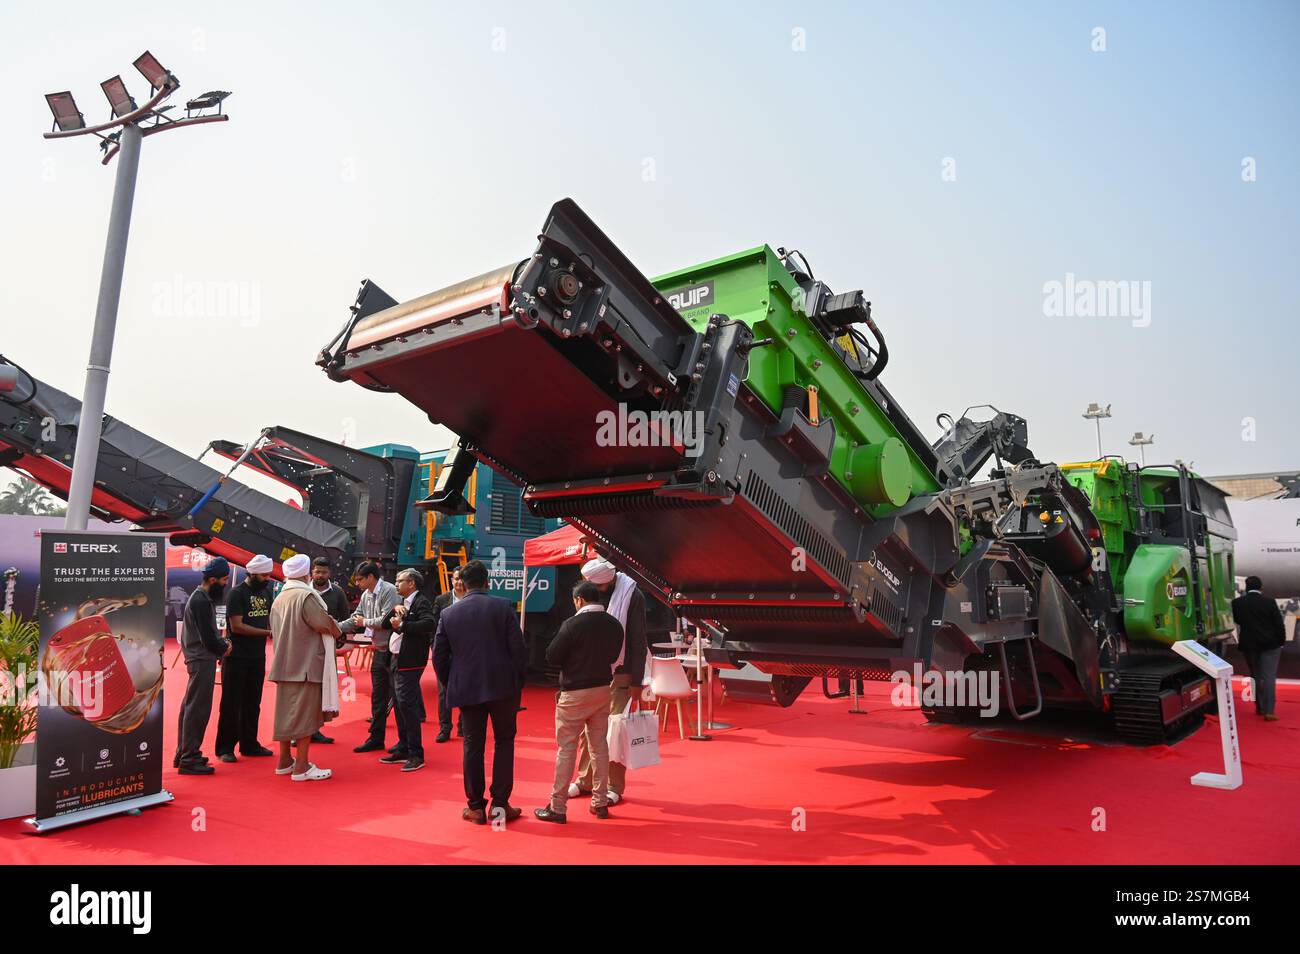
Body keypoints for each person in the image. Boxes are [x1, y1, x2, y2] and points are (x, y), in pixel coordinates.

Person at [433, 559, 527, 825]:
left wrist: (453, 681)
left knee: (472, 745)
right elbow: (518, 650)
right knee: (504, 742)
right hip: (502, 688)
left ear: (462, 583)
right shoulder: (503, 607)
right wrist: (518, 682)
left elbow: (439, 656)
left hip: (467, 687)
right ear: (488, 581)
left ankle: (475, 807)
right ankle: (499, 805)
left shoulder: (449, 613)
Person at [535, 581, 624, 824]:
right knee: (599, 747)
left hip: (574, 693)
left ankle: (558, 806)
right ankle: (600, 802)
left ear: (580, 599)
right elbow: (614, 656)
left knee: (567, 749)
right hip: (602, 690)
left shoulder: (572, 624)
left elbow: (552, 655)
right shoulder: (614, 624)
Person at [569, 557, 646, 805]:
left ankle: (614, 785)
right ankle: (585, 779)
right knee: (587, 726)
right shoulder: (595, 591)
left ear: (609, 582)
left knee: (616, 729)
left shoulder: (632, 595)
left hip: (621, 672)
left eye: (598, 589)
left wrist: (636, 680)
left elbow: (637, 641)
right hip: (593, 670)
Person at [268, 553, 342, 781]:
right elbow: (322, 622)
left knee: (285, 715)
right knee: (306, 718)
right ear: (306, 573)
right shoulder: (305, 596)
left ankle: (284, 761)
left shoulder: (280, 597)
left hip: (285, 664)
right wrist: (338, 630)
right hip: (307, 666)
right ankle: (301, 766)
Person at [214, 554, 276, 762]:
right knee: (231, 702)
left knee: (253, 702)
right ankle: (225, 748)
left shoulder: (267, 591)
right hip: (236, 656)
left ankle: (250, 744)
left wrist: (272, 628)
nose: (267, 578)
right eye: (264, 575)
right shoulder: (236, 593)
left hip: (257, 656)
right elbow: (237, 626)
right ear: (252, 573)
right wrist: (268, 633)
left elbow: (268, 619)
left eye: (269, 574)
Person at [175, 557, 232, 775]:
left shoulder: (202, 597)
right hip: (201, 658)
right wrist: (224, 648)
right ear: (213, 579)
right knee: (197, 709)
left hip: (199, 657)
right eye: (224, 579)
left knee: (190, 706)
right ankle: (189, 757)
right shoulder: (200, 600)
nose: (226, 583)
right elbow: (208, 638)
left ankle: (185, 753)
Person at [376, 568, 437, 771]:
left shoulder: (421, 601)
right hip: (396, 658)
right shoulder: (403, 602)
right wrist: (395, 609)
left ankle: (416, 753)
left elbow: (429, 623)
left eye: (400, 580)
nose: (396, 584)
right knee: (400, 704)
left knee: (406, 705)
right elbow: (386, 624)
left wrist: (403, 625)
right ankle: (404, 747)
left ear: (411, 583)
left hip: (410, 661)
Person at [341, 562, 399, 754]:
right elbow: (355, 618)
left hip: (393, 652)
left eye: (359, 579)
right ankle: (376, 737)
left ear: (371, 577)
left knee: (399, 698)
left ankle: (404, 742)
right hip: (379, 650)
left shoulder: (389, 591)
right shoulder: (366, 595)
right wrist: (334, 627)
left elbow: (387, 621)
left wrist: (364, 622)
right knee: (378, 697)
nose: (357, 583)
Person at [1232, 575, 1286, 721]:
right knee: (1268, 677)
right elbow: (1278, 624)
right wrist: (1281, 641)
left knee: (1255, 676)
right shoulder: (1269, 602)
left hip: (1249, 645)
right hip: (1270, 644)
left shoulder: (1237, 603)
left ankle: (1259, 706)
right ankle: (1269, 711)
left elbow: (1237, 620)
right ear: (1261, 588)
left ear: (1246, 588)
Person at [432, 567, 466, 743]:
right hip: (445, 653)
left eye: (462, 579)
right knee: (443, 692)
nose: (459, 582)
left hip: (466, 653)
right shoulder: (442, 599)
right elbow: (433, 626)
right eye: (456, 579)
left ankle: (463, 725)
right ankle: (445, 727)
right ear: (451, 580)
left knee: (465, 690)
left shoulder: (471, 599)